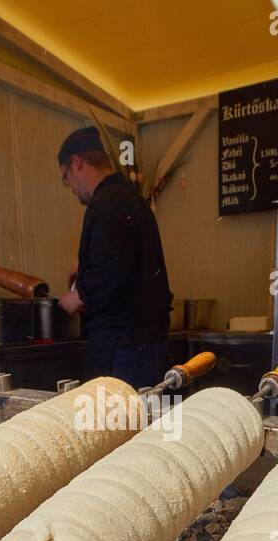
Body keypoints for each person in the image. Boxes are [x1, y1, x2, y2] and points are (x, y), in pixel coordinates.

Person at [56, 126, 172, 389]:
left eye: (66, 178)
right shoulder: (131, 198)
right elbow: (124, 258)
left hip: (122, 347)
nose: (71, 189)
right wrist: (84, 265)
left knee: (112, 424)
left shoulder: (106, 203)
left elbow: (110, 277)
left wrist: (79, 295)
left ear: (77, 164)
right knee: (142, 421)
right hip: (146, 341)